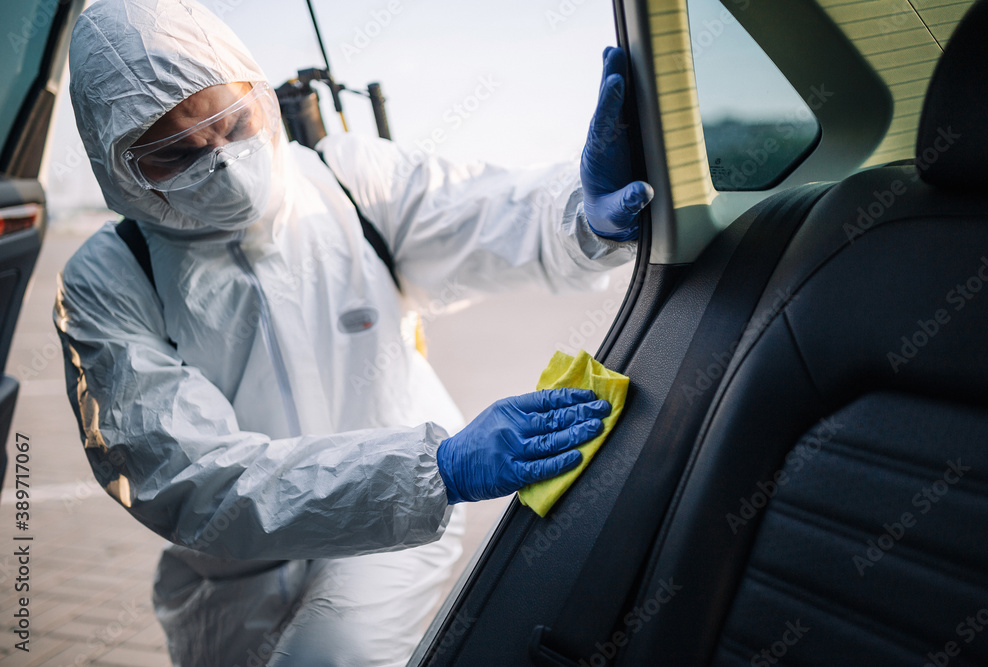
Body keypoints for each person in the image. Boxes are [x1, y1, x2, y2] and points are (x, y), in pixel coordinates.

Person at [53, 0, 653, 665]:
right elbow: (190, 477)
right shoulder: (106, 279)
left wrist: (582, 213)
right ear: (119, 168)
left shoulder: (348, 180)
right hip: (228, 582)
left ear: (257, 89)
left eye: (233, 122)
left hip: (394, 533)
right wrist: (435, 466)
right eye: (175, 153)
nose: (221, 160)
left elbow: (483, 212)